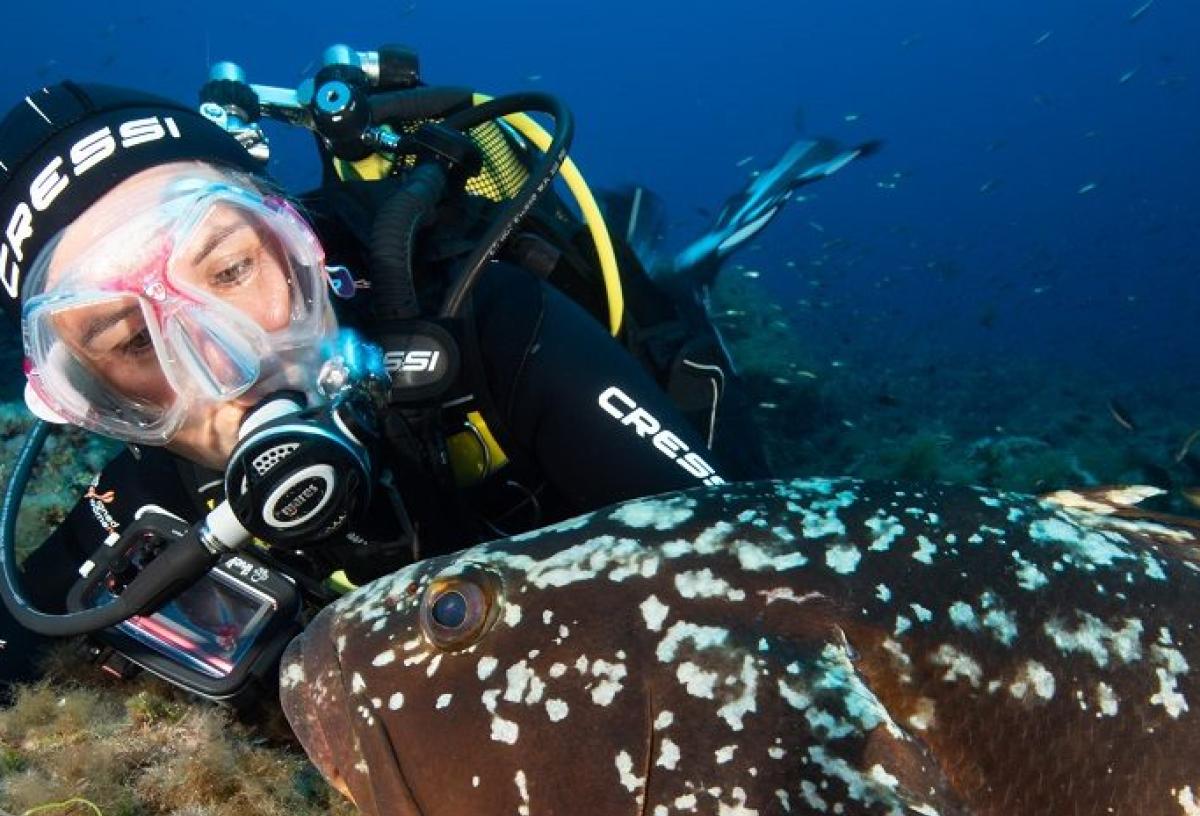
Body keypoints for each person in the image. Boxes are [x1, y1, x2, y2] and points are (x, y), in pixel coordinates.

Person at [0, 64, 875, 703]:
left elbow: (770, 585)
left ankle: (681, 264)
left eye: (230, 271)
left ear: (298, 241)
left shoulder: (484, 323)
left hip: (606, 391)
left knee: (675, 342)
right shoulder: (148, 496)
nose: (227, 366)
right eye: (132, 340)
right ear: (85, 399)